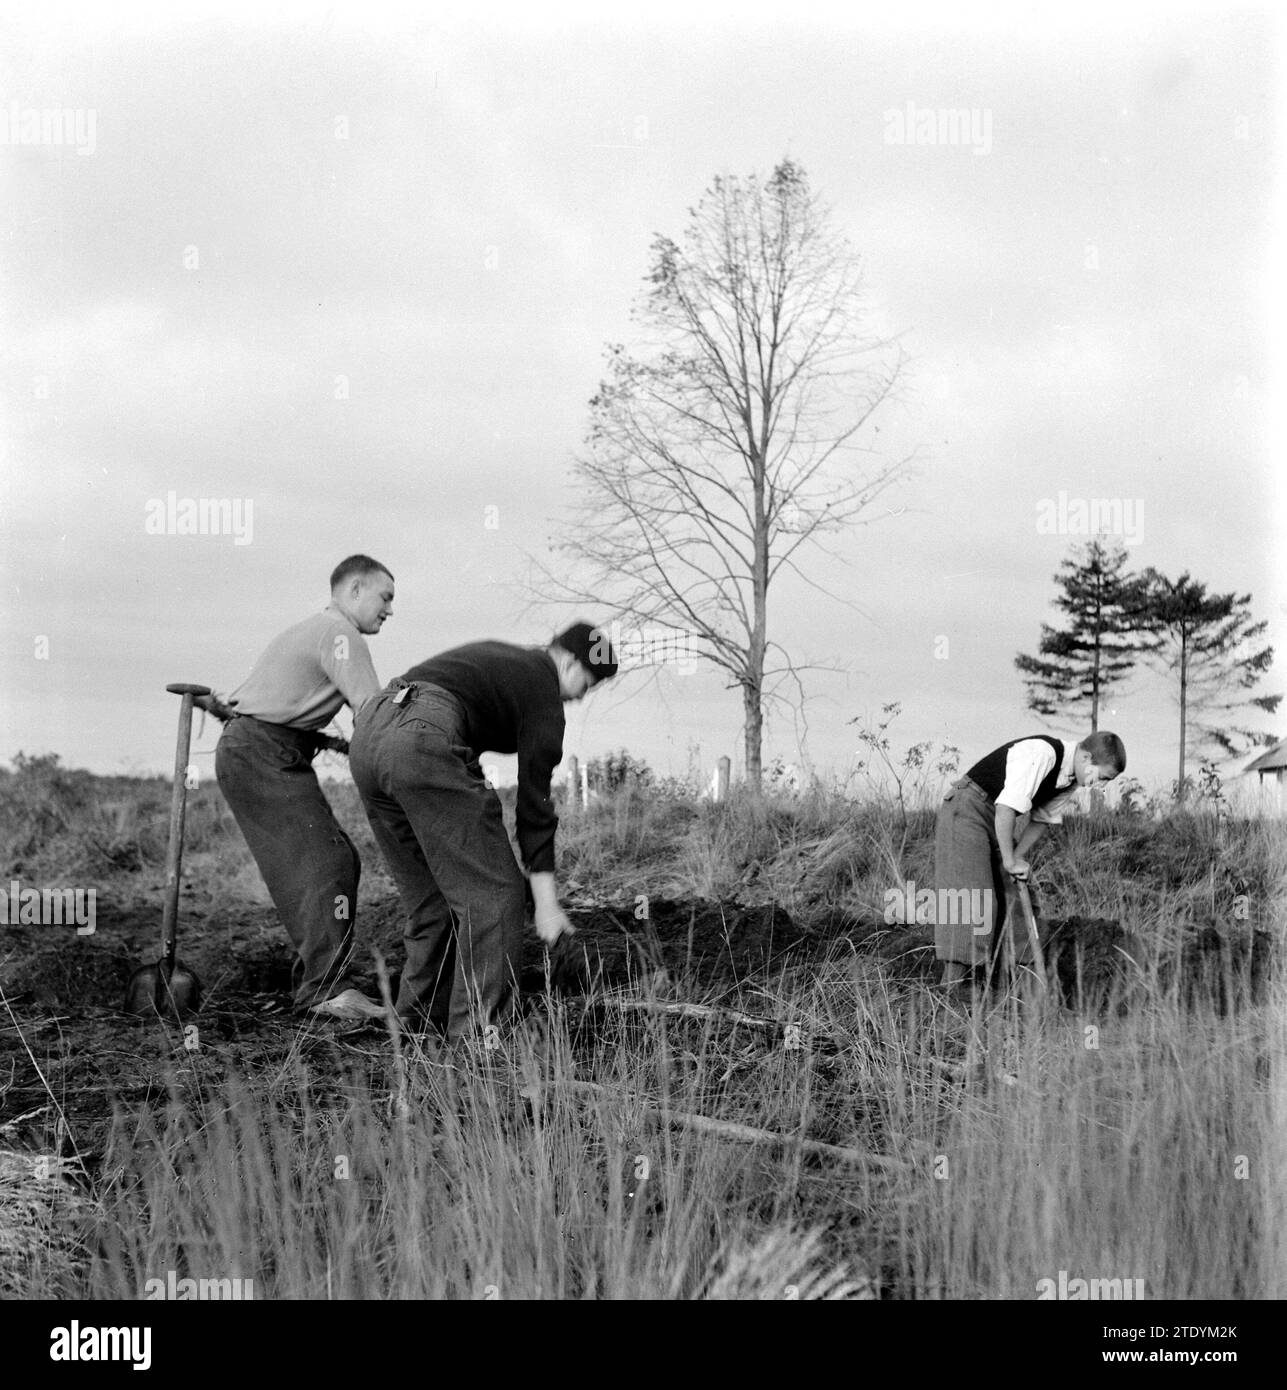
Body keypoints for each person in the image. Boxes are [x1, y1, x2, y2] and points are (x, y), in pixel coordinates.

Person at [349, 621, 619, 1042]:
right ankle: (479, 1041)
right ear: (566, 660)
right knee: (494, 893)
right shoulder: (543, 688)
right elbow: (535, 804)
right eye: (588, 680)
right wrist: (546, 907)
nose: (584, 694)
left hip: (369, 735)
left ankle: (416, 1024)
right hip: (420, 739)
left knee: (435, 898)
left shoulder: (504, 659)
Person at [215, 555, 395, 1020]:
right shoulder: (340, 635)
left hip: (260, 750)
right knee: (327, 860)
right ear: (355, 589)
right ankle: (326, 990)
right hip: (261, 753)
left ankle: (320, 979)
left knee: (331, 859)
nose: (389, 611)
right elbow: (372, 714)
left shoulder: (313, 629)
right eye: (385, 597)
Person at [934, 730, 1127, 987]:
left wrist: (1017, 858)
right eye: (1102, 777)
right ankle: (955, 989)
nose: (1100, 785)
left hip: (996, 817)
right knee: (974, 899)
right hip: (967, 806)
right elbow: (1006, 809)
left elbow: (1040, 820)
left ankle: (1016, 990)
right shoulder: (1043, 754)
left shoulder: (1070, 780)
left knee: (1015, 896)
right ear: (1086, 757)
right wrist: (1009, 861)